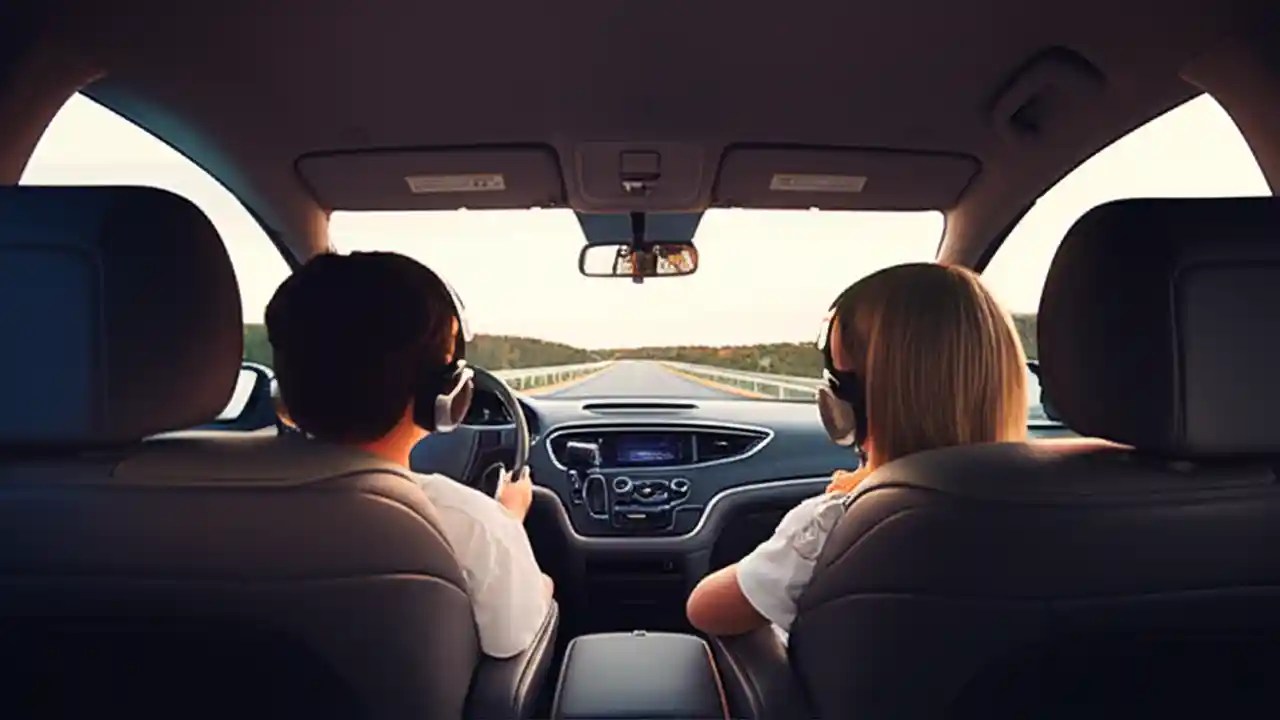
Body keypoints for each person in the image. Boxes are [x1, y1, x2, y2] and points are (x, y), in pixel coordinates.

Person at [685, 263, 1027, 638]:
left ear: (857, 399)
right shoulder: (1073, 506)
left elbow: (706, 608)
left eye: (836, 377)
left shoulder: (836, 522)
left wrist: (856, 497)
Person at [265, 251, 553, 658]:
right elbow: (516, 638)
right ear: (445, 393)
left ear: (284, 391)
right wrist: (511, 524)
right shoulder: (467, 524)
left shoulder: (188, 507)